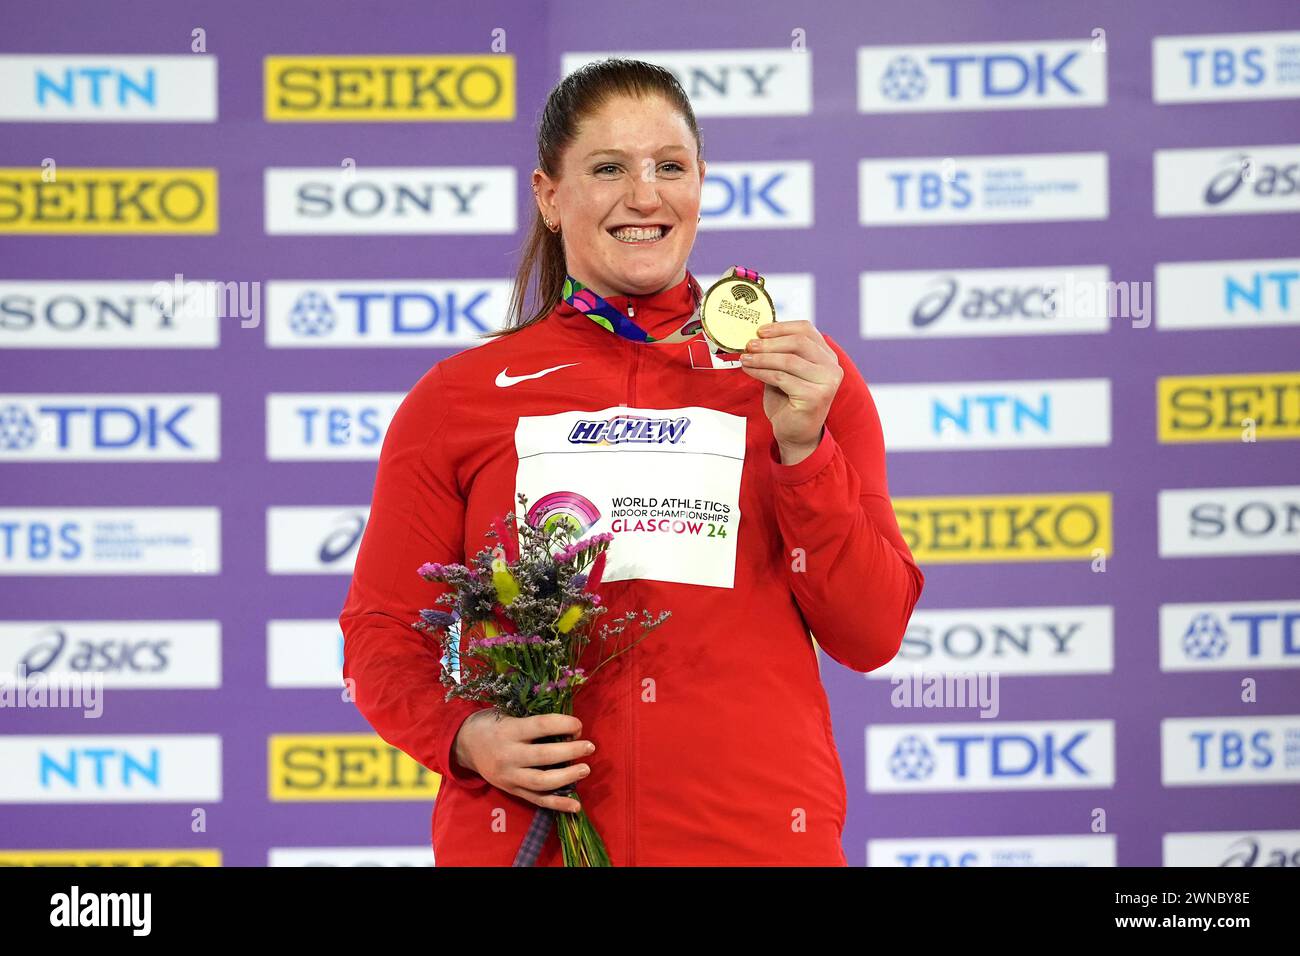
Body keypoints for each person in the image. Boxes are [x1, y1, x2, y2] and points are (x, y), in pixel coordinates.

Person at [338, 57, 925, 866]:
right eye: (609, 168)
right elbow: (382, 632)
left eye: (669, 167)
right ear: (549, 195)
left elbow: (871, 632)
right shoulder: (458, 397)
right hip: (532, 838)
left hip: (754, 840)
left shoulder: (798, 380)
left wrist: (803, 451)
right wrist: (467, 736)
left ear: (700, 184)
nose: (644, 196)